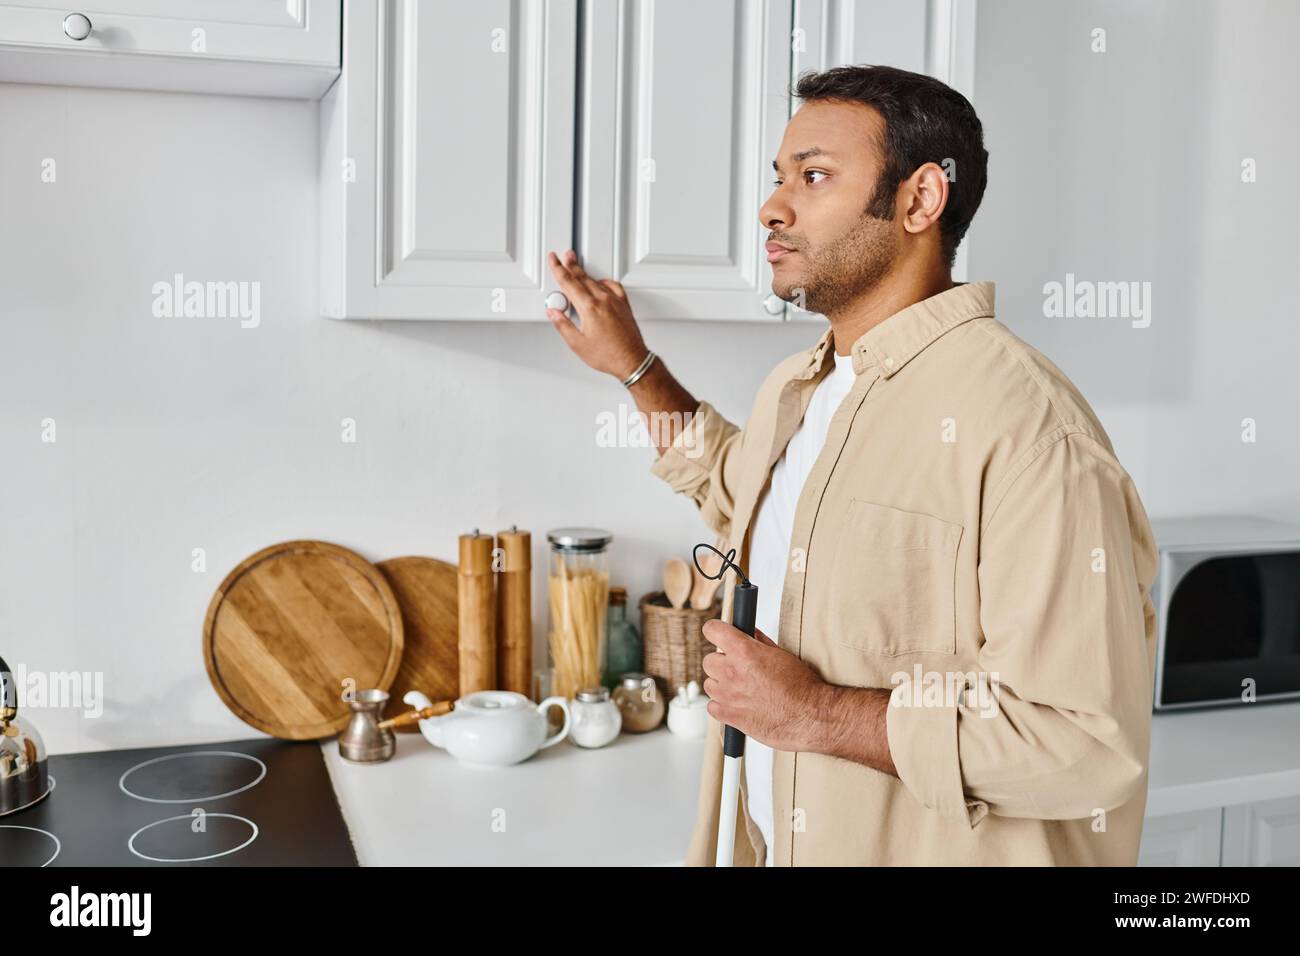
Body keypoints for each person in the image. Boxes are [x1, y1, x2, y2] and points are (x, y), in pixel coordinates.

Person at [546, 64, 1157, 866]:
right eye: (779, 178)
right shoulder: (806, 386)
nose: (772, 205)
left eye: (815, 176)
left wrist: (815, 713)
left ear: (919, 199)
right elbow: (735, 493)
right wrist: (633, 366)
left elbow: (1086, 743)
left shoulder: (1030, 430)